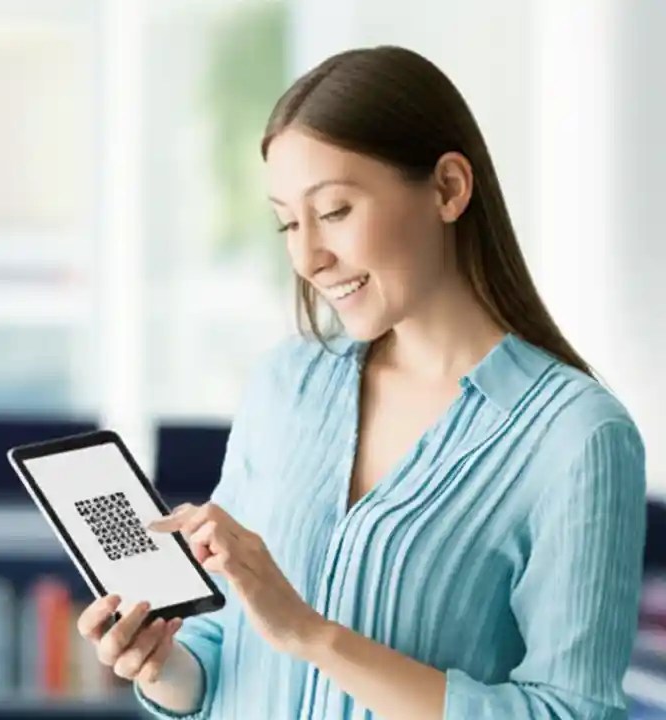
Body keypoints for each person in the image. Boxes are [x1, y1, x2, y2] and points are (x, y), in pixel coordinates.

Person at [75, 45, 647, 719]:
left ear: (448, 189)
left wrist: (313, 636)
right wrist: (164, 665)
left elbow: (574, 713)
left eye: (336, 211)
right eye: (289, 222)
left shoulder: (576, 436)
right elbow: (221, 639)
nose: (309, 256)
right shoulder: (287, 385)